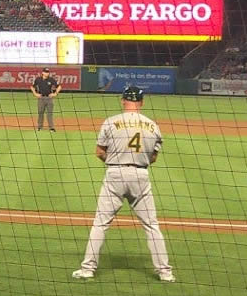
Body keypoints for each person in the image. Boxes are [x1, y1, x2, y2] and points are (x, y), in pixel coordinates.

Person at [72, 86, 176, 283]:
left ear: (123, 100)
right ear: (142, 102)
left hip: (114, 174)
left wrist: (116, 163)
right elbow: (153, 157)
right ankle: (165, 272)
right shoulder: (153, 126)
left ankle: (87, 269)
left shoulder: (111, 122)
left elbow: (99, 152)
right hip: (141, 176)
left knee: (100, 223)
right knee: (152, 226)